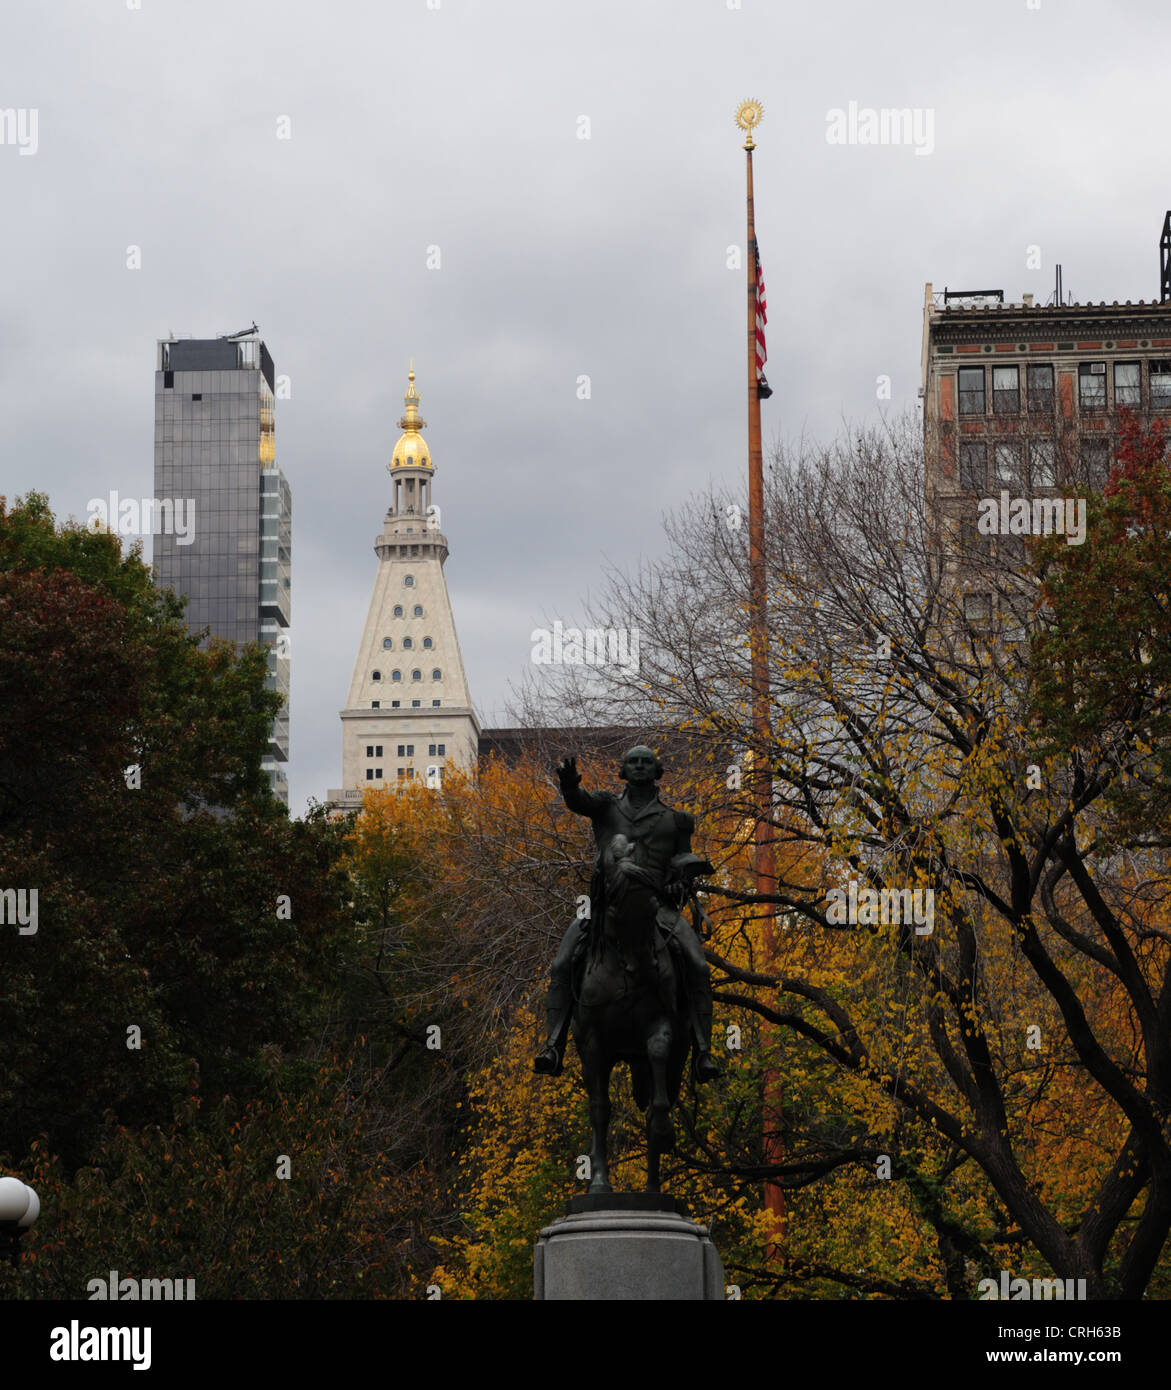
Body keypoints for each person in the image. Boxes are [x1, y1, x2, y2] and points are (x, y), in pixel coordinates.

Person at [533, 745, 721, 1081]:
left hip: (658, 910)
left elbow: (683, 862)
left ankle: (703, 1050)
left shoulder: (676, 820)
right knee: (562, 962)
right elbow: (579, 802)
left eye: (646, 762)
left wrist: (681, 882)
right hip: (606, 908)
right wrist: (569, 786)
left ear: (657, 770)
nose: (638, 767)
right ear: (623, 770)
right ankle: (553, 1044)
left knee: (698, 964)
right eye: (632, 762)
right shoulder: (606, 807)